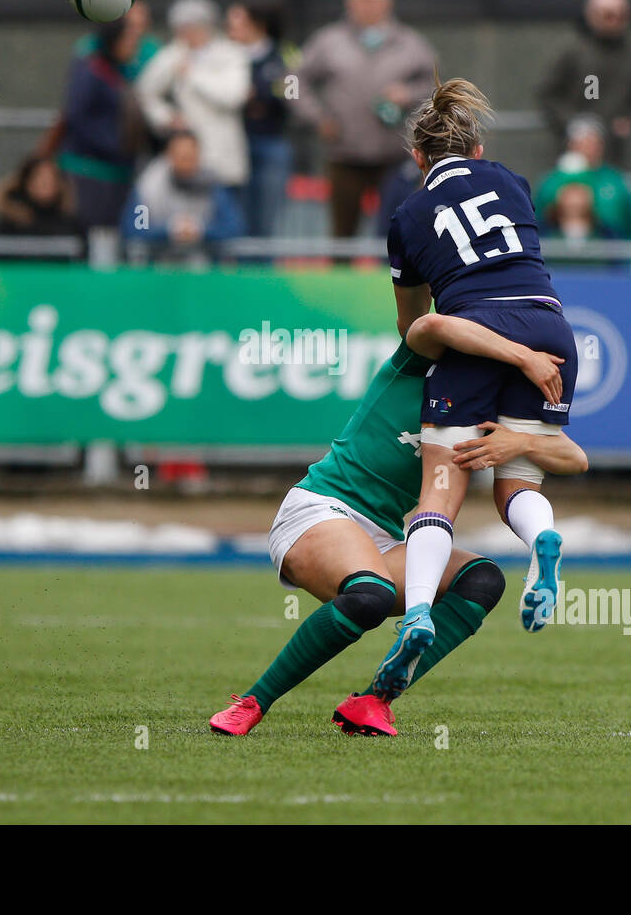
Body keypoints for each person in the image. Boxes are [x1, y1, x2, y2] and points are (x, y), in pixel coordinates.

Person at [209, 314, 587, 737]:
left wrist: (522, 442)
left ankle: (372, 701)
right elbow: (427, 325)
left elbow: (576, 459)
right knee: (371, 595)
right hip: (320, 509)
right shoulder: (421, 361)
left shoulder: (490, 407)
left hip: (383, 536)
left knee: (482, 579)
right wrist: (524, 356)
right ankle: (253, 702)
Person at [377, 77, 580, 698]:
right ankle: (540, 538)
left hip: (472, 329)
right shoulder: (512, 181)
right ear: (478, 147)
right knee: (517, 478)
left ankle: (415, 615)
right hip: (550, 324)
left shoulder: (407, 217)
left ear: (417, 159)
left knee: (441, 484)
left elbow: (413, 321)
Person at [293, 0, 437, 237]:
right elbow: (293, 81)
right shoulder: (328, 41)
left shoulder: (411, 43)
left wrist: (407, 94)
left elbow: (434, 87)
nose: (368, 6)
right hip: (344, 152)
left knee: (400, 230)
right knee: (342, 234)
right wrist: (316, 117)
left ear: (388, 2)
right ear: (349, 2)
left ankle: (397, 279)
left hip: (396, 155)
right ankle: (341, 279)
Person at [136, 0, 251, 200]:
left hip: (224, 159)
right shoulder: (173, 55)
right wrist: (167, 117)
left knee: (226, 219)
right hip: (186, 161)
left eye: (189, 28)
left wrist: (193, 75)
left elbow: (233, 96)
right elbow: (145, 92)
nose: (184, 35)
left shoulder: (231, 53)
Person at [536, 0, 631, 164]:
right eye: (608, 15)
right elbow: (548, 94)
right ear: (592, 15)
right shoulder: (571, 52)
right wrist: (573, 125)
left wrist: (629, 121)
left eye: (621, 16)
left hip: (614, 150)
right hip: (571, 148)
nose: (615, 21)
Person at [55, 16, 147, 232]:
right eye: (128, 39)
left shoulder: (122, 72)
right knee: (92, 235)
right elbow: (77, 116)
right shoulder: (91, 71)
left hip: (117, 171)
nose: (134, 46)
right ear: (114, 40)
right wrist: (114, 146)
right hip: (90, 172)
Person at [227, 3, 298, 236]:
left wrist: (262, 93)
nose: (231, 30)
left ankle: (264, 265)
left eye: (238, 23)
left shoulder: (285, 54)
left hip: (272, 141)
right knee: (236, 214)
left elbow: (294, 93)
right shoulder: (225, 56)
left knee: (268, 215)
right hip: (234, 144)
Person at [119, 129, 242, 259]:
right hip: (157, 264)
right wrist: (170, 230)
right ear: (168, 156)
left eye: (191, 157)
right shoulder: (148, 187)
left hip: (202, 263)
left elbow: (234, 227)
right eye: (181, 157)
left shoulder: (213, 184)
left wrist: (201, 230)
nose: (186, 164)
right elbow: (134, 230)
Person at [535, 115, 631, 240]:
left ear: (601, 145)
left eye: (591, 142)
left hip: (609, 251)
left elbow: (630, 225)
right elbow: (539, 220)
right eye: (580, 143)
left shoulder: (616, 181)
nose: (587, 148)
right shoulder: (551, 182)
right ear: (570, 145)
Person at [0, 155, 79, 241]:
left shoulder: (70, 225)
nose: (46, 183)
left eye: (51, 178)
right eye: (40, 177)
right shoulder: (9, 224)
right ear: (27, 182)